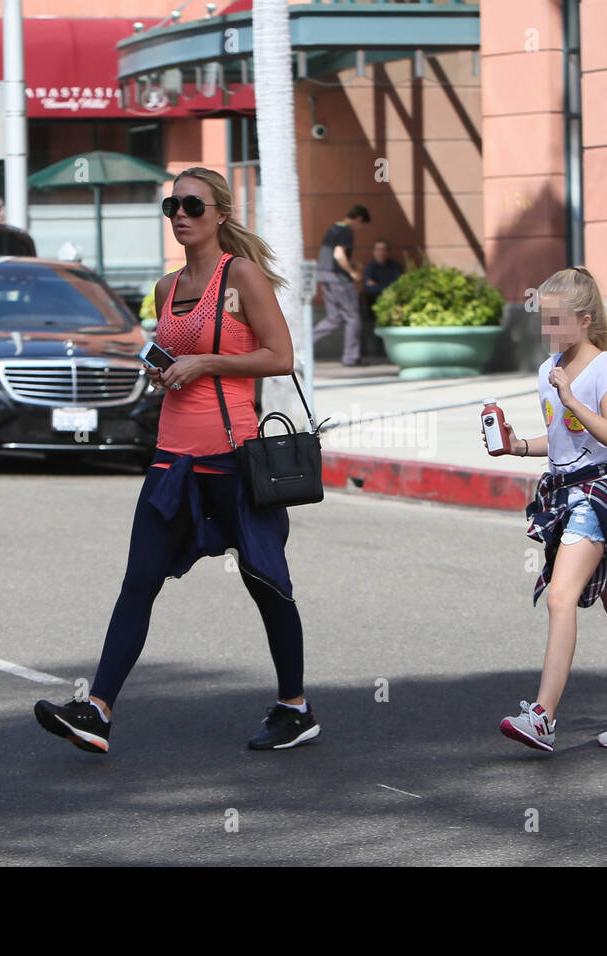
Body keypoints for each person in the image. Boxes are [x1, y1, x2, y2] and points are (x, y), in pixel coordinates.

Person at [34, 166, 318, 754]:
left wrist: (206, 364)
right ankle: (97, 711)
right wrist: (164, 371)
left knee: (265, 580)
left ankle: (295, 707)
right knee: (138, 582)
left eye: (193, 204)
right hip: (172, 458)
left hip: (234, 457)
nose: (181, 215)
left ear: (220, 214)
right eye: (172, 206)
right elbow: (176, 355)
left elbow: (281, 356)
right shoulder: (167, 289)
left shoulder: (239, 276)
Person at [492, 266, 607, 752]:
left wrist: (572, 397)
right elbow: (558, 444)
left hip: (600, 495)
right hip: (565, 491)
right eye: (543, 321)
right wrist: (515, 446)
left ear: (585, 319)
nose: (547, 332)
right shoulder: (548, 369)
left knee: (560, 597)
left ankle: (544, 715)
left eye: (556, 322)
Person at [311, 205, 369, 366]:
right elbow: (338, 254)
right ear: (358, 219)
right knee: (353, 317)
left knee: (334, 318)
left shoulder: (333, 228)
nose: (359, 228)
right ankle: (351, 358)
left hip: (324, 276)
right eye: (361, 225)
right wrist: (351, 272)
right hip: (338, 279)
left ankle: (302, 346)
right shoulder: (346, 230)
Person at [361, 239, 402, 358]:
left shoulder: (394, 266)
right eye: (378, 249)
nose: (381, 253)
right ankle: (380, 352)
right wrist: (386, 287)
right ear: (373, 252)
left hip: (394, 304)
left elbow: (398, 285)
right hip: (373, 305)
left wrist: (378, 286)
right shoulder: (370, 268)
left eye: (384, 250)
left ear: (388, 252)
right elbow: (368, 288)